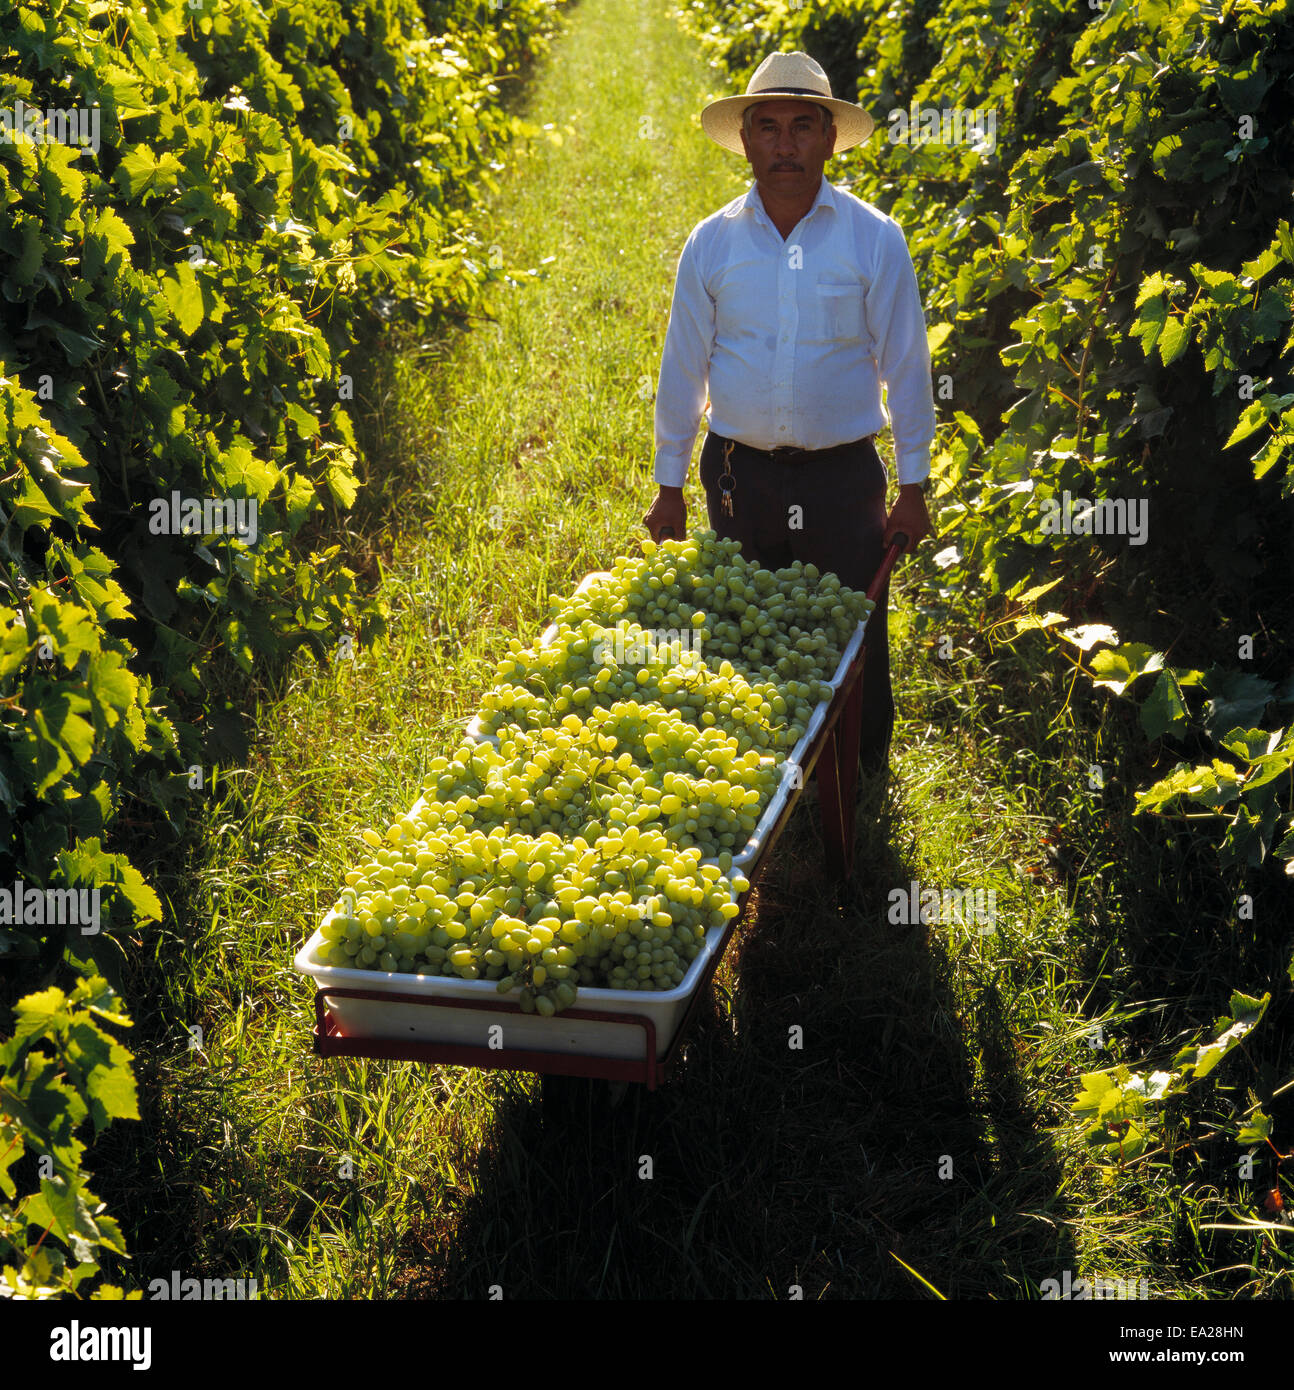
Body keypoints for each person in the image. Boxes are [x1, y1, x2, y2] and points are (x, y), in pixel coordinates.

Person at [643, 51, 936, 771]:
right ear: (744, 140)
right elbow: (683, 366)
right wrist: (670, 483)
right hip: (741, 473)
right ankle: (768, 772)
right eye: (767, 128)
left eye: (802, 127)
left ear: (830, 139)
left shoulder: (874, 238)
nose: (784, 145)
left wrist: (914, 486)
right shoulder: (711, 244)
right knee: (751, 627)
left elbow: (907, 366)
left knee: (851, 631)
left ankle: (858, 775)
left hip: (842, 479)